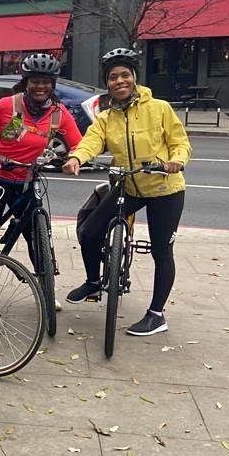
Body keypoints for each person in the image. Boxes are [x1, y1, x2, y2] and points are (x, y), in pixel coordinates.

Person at [63, 47, 192, 336]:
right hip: (129, 186)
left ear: (134, 77)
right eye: (112, 77)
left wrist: (176, 162)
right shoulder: (106, 118)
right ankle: (94, 282)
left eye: (124, 75)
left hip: (164, 188)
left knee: (162, 250)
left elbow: (180, 143)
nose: (119, 81)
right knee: (90, 230)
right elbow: (90, 143)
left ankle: (156, 314)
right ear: (107, 83)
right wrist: (76, 158)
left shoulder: (159, 108)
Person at [0, 53, 82, 292]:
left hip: (27, 179)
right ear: (26, 82)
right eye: (35, 81)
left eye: (46, 82)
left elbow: (78, 142)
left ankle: (45, 285)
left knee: (35, 232)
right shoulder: (6, 106)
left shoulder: (58, 113)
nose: (40, 86)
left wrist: (74, 157)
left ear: (53, 84)